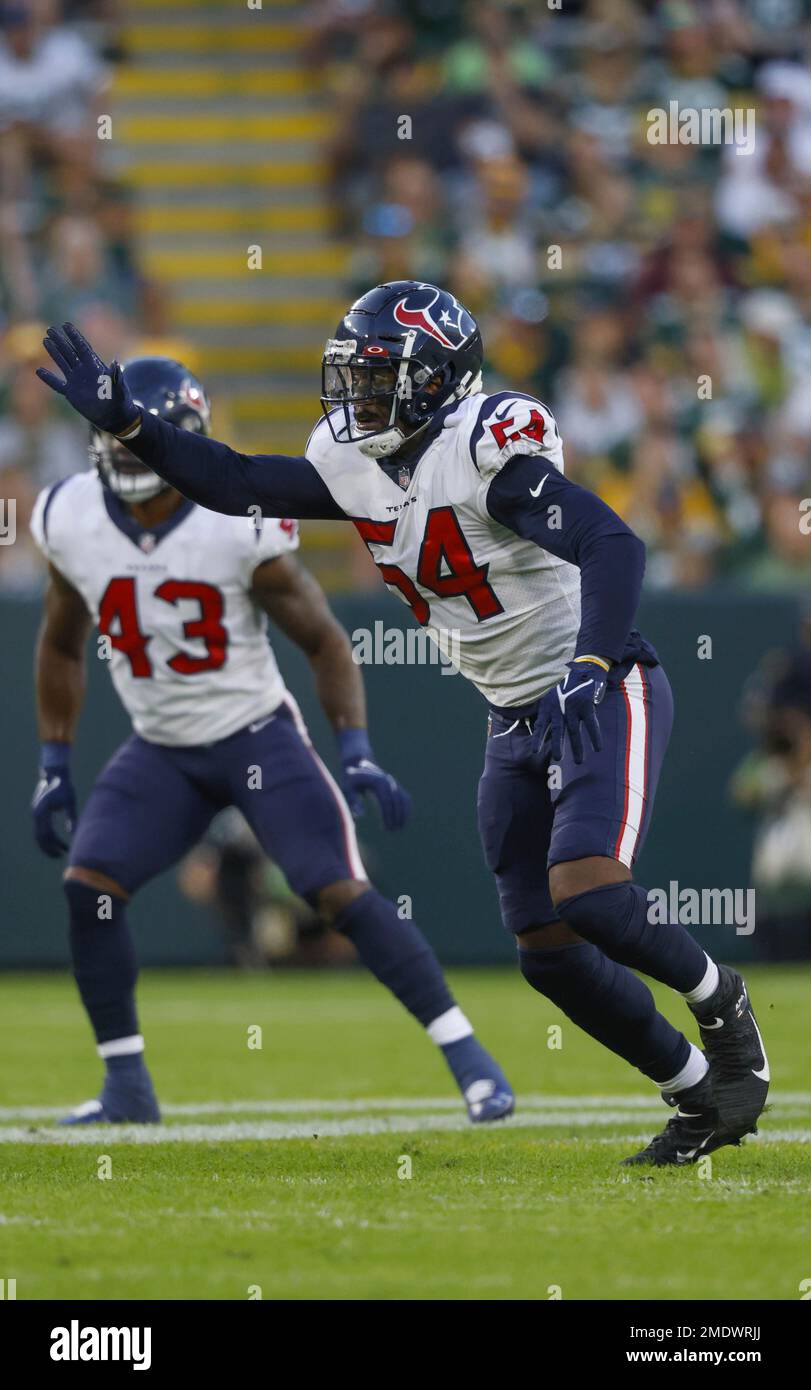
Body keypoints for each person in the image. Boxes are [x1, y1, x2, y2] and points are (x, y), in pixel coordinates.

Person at [36, 286, 769, 1164]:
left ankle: (720, 1001)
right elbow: (233, 481)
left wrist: (591, 664)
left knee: (592, 892)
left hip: (600, 688)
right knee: (546, 949)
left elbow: (614, 545)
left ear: (435, 380)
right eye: (351, 374)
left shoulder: (484, 447)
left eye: (377, 376)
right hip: (510, 715)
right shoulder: (351, 464)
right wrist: (132, 427)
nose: (356, 396)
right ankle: (696, 1094)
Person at [29, 353, 513, 1126]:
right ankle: (127, 1088)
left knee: (338, 890)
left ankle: (470, 1061)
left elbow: (323, 641)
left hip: (254, 735)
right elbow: (59, 644)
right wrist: (54, 761)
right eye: (114, 441)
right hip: (160, 747)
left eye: (137, 440)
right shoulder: (67, 516)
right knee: (90, 889)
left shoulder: (234, 521)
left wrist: (353, 749)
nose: (124, 454)